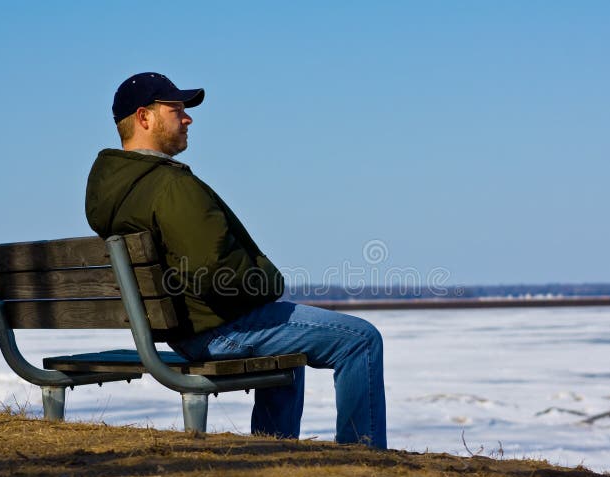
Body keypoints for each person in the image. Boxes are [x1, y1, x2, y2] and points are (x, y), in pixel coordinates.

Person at [85, 72, 386, 448]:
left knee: (291, 346)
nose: (188, 118)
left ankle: (273, 450)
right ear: (144, 117)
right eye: (176, 110)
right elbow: (212, 272)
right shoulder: (170, 186)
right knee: (360, 339)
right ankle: (364, 455)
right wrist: (269, 281)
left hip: (182, 330)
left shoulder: (113, 191)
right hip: (214, 330)